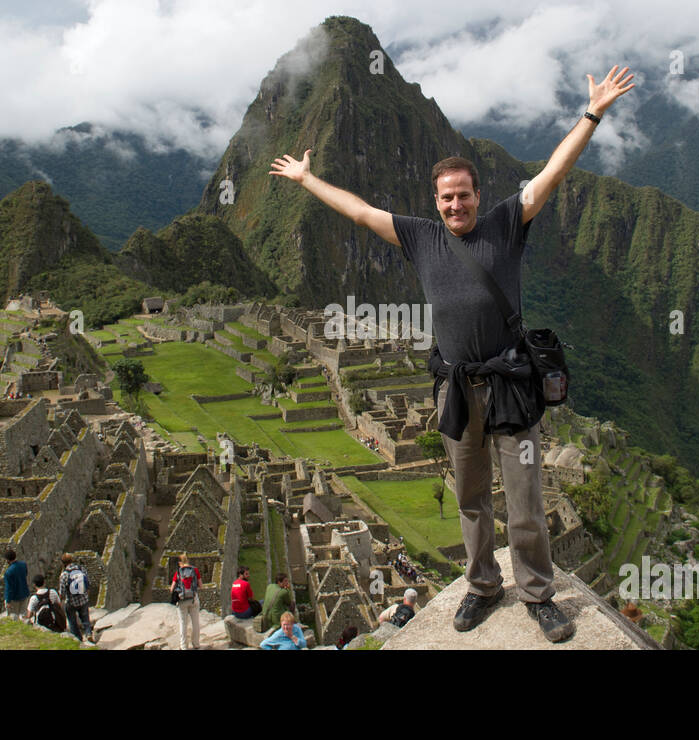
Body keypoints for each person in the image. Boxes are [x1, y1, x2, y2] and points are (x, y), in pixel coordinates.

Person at [268, 65, 635, 643]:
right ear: (434, 202)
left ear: (477, 196)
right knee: (470, 500)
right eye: (446, 197)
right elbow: (360, 212)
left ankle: (538, 594)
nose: (455, 204)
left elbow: (552, 175)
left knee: (525, 501)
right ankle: (483, 585)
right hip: (458, 390)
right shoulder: (421, 236)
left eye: (463, 195)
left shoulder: (506, 223)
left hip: (512, 386)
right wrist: (308, 180)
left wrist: (592, 114)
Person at [58, 553, 93, 643]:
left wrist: (60, 601)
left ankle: (78, 639)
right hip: (83, 599)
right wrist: (86, 596)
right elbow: (88, 583)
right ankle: (88, 633)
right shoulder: (81, 569)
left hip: (71, 602)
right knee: (85, 618)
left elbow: (62, 592)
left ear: (63, 563)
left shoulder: (64, 575)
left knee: (72, 621)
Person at [170, 554, 202, 650]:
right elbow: (201, 585)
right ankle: (196, 644)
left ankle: (184, 646)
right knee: (195, 622)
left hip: (182, 600)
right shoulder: (195, 570)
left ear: (180, 562)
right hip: (193, 599)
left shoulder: (178, 572)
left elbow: (172, 588)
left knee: (183, 623)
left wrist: (175, 591)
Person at [2, 550, 30, 618]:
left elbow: (9, 588)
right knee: (23, 615)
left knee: (13, 616)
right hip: (25, 593)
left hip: (14, 598)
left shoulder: (8, 572)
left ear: (7, 560)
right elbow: (25, 575)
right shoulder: (23, 565)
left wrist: (8, 600)